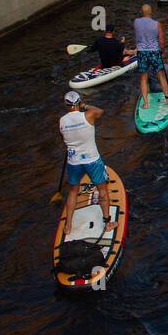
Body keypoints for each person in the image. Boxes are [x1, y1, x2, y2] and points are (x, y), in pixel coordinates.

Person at [58, 90, 110, 238]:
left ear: (66, 104)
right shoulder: (88, 114)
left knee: (73, 191)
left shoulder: (61, 121)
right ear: (79, 102)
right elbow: (100, 111)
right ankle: (108, 224)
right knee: (102, 190)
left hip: (73, 161)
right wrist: (85, 105)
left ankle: (68, 226)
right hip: (92, 160)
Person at [133, 4, 168, 112]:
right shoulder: (157, 24)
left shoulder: (136, 22)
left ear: (142, 12)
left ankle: (146, 103)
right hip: (154, 52)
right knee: (161, 75)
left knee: (143, 78)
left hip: (142, 52)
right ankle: (167, 99)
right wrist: (162, 50)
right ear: (151, 12)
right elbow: (161, 41)